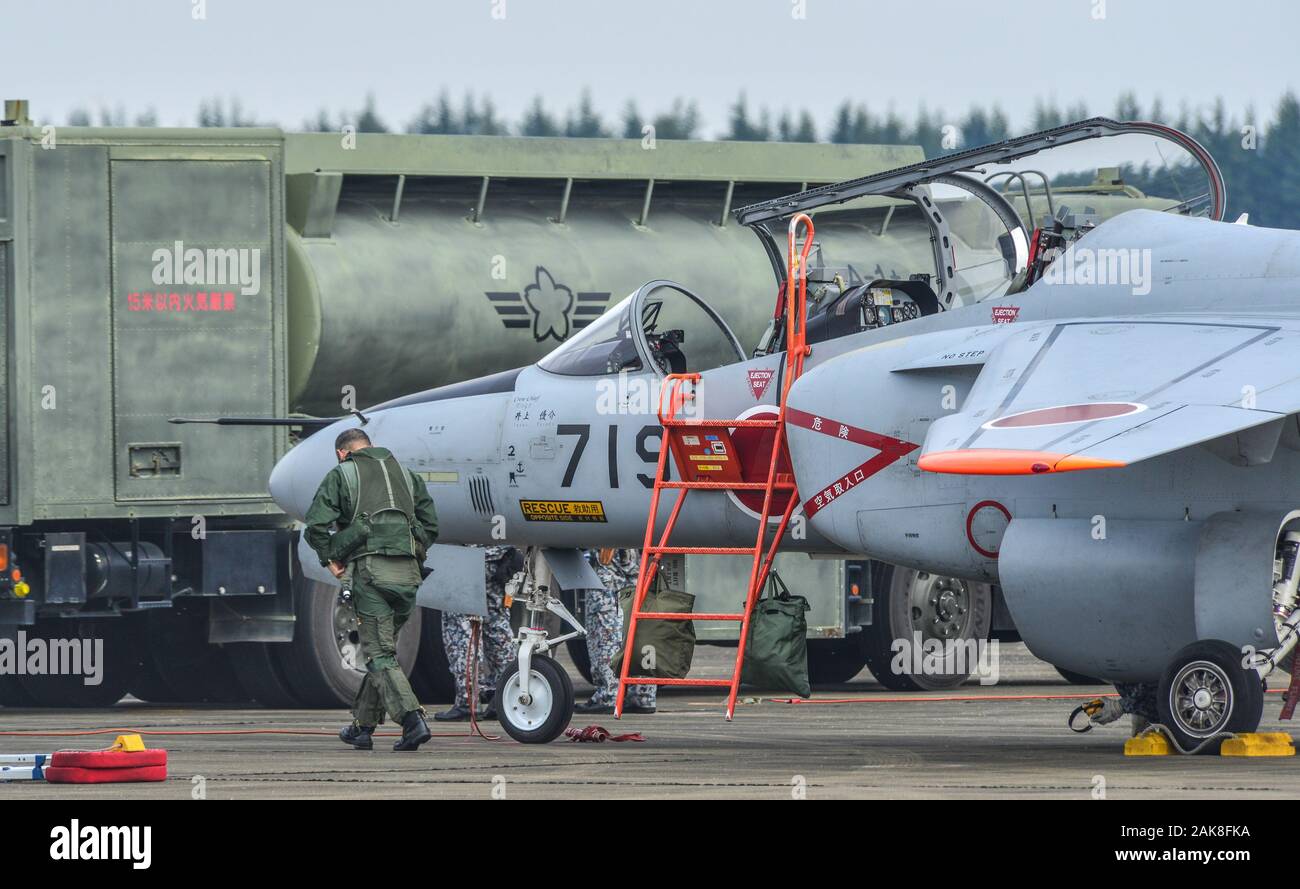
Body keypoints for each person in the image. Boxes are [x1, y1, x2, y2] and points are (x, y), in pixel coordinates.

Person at [304, 428, 439, 752]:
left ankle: (412, 720)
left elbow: (315, 527)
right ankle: (362, 727)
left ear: (342, 453)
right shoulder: (407, 476)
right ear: (370, 446)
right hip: (408, 578)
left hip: (370, 576)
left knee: (378, 655)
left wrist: (331, 561)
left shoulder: (342, 474)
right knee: (384, 654)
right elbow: (431, 525)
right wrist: (410, 550)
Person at [434, 546, 521, 721]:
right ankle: (504, 697)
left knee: (461, 630)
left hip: (464, 557)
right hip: (499, 556)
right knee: (497, 628)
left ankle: (468, 702)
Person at [575, 548, 657, 715]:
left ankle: (608, 694)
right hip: (634, 550)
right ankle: (642, 694)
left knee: (604, 626)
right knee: (639, 620)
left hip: (606, 553)